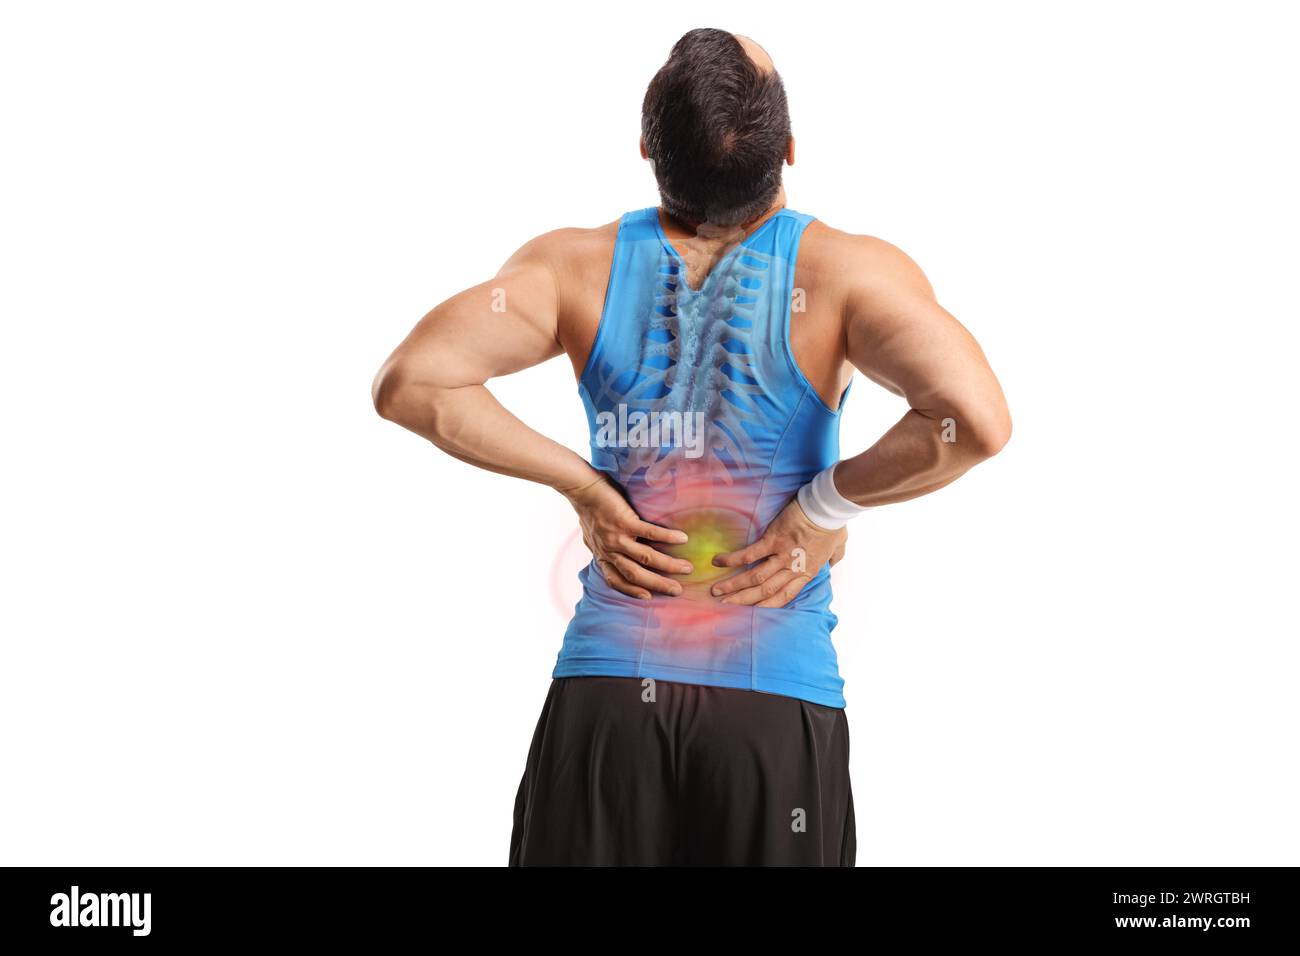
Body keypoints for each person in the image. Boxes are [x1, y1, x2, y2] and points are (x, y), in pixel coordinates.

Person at [373, 28, 1011, 866]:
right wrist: (824, 506)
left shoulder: (573, 267)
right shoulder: (852, 274)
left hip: (607, 706)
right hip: (769, 714)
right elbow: (971, 421)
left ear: (646, 149)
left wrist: (586, 488)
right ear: (789, 150)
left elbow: (411, 384)